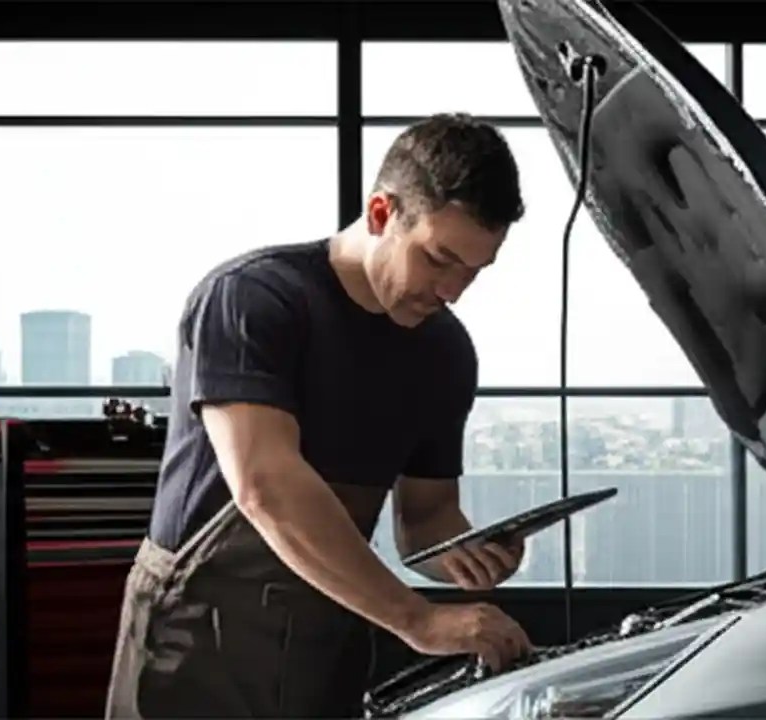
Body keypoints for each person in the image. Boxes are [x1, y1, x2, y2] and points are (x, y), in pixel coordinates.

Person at [105, 113, 534, 720]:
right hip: (198, 642)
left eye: (473, 271)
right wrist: (417, 619)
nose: (453, 291)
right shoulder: (251, 299)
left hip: (329, 641)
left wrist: (464, 552)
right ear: (383, 214)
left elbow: (426, 518)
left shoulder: (445, 352)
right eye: (439, 259)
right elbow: (266, 487)